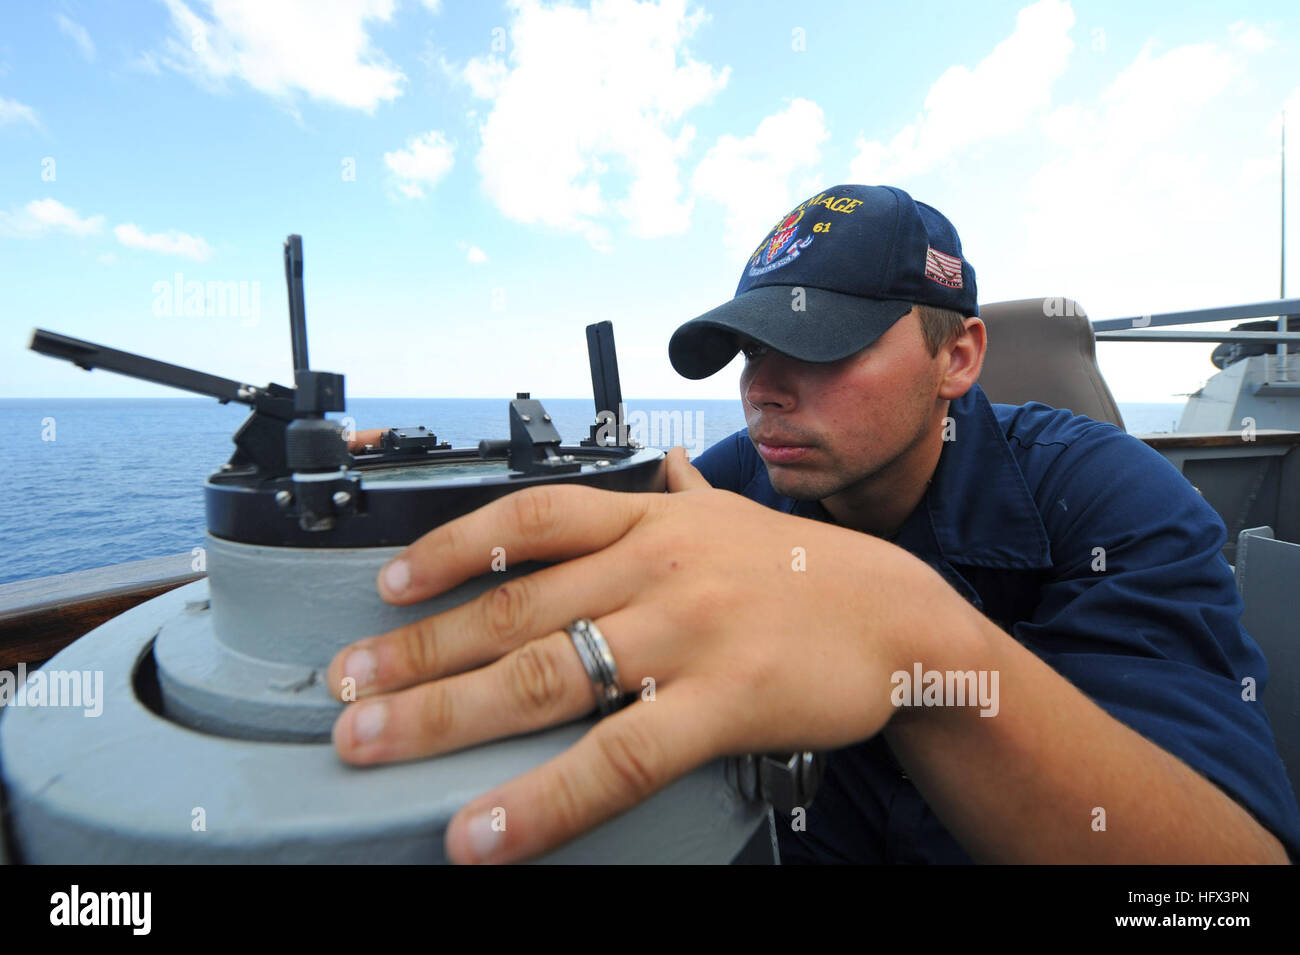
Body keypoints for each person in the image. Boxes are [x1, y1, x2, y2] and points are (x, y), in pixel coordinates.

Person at [329, 183, 1300, 864]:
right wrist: (395, 472)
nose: (765, 392)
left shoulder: (1114, 502)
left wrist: (918, 657)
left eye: (821, 347)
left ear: (956, 357)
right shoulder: (737, 487)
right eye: (752, 350)